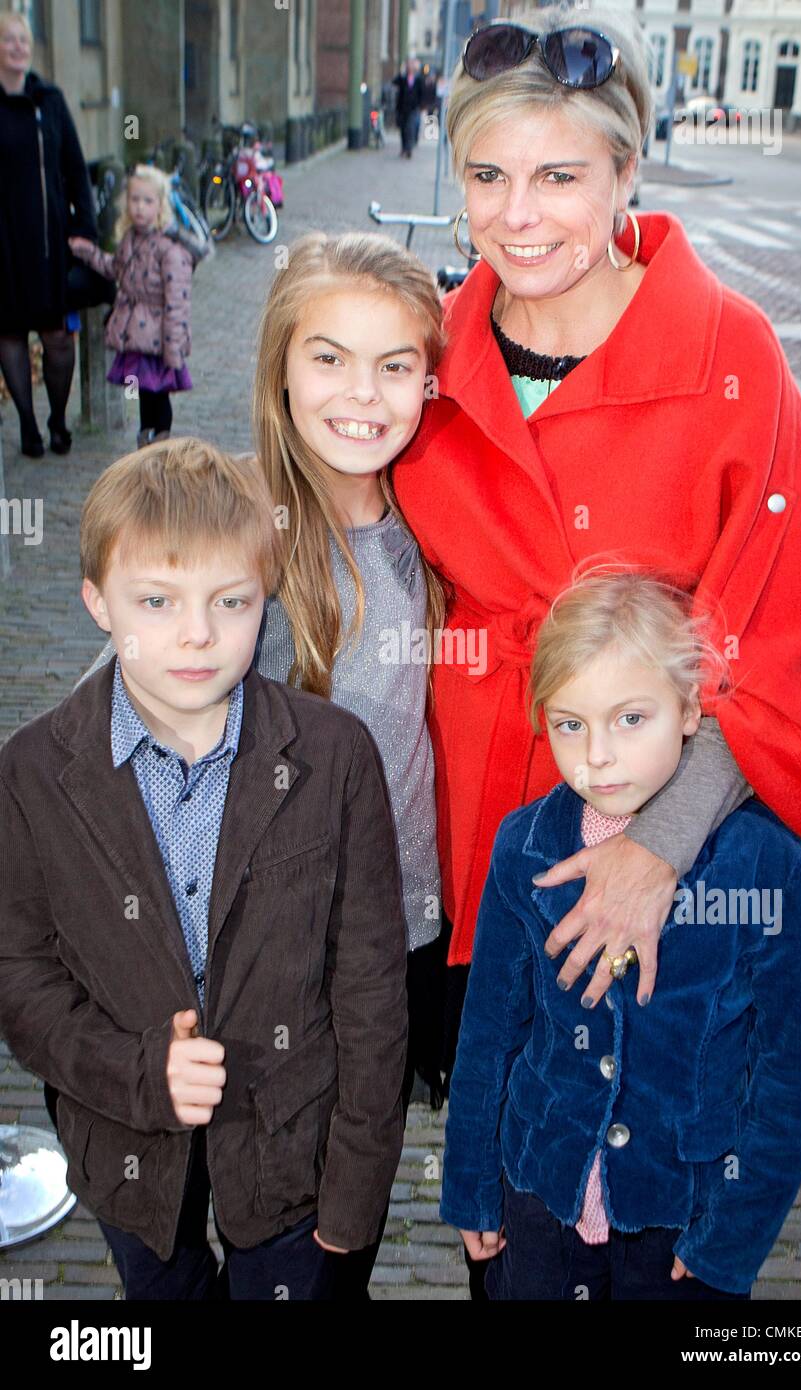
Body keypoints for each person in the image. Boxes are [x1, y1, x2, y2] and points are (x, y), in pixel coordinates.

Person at [390, 5, 801, 1089]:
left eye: (560, 176)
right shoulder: (424, 353)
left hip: (669, 848)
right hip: (470, 851)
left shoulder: (726, 354)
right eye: (485, 177)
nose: (517, 217)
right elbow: (316, 561)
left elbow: (781, 647)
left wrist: (658, 846)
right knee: (500, 1193)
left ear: (624, 170)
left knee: (650, 1193)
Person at [78, 229, 449, 1296]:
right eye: (326, 357)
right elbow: (97, 739)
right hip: (218, 962)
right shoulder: (227, 526)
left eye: (393, 366)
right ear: (279, 365)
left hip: (380, 955)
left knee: (326, 1239)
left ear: (428, 378)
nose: (360, 396)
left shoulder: (441, 527)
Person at [0, 437, 409, 1300]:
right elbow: (20, 979)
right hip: (127, 1156)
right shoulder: (31, 774)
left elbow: (371, 991)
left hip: (295, 1166)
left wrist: (358, 1193)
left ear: (268, 598)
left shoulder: (335, 757)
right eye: (156, 600)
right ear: (96, 603)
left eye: (231, 601)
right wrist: (137, 1072)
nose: (196, 634)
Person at [440, 569, 801, 1300]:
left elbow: (788, 1076)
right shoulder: (522, 846)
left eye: (630, 719)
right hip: (540, 1204)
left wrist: (730, 1243)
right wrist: (470, 1188)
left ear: (689, 711)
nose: (598, 755)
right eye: (570, 724)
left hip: (680, 1222)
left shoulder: (769, 866)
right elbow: (489, 1032)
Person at [0, 10, 98, 457]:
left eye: (23, 39)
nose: (19, 46)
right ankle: (27, 424)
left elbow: (76, 170)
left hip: (49, 246)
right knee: (11, 335)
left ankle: (58, 420)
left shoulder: (51, 101)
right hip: (4, 246)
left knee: (58, 336)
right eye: (8, 40)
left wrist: (86, 230)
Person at [69, 164, 194, 447]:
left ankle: (160, 447)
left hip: (159, 339)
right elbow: (114, 269)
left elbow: (178, 302)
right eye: (134, 200)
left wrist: (173, 347)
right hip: (136, 337)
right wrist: (87, 252)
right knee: (142, 394)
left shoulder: (170, 248)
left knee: (159, 394)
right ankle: (145, 443)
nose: (139, 208)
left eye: (147, 201)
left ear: (160, 205)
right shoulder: (129, 239)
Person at [392, 57, 424, 158]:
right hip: (402, 108)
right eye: (408, 65)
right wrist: (401, 72)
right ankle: (404, 147)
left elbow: (421, 92)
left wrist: (420, 105)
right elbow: (394, 82)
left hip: (413, 108)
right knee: (403, 129)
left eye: (411, 65)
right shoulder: (402, 78)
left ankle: (409, 149)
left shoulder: (418, 78)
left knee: (410, 128)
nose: (410, 67)